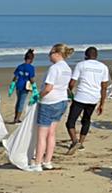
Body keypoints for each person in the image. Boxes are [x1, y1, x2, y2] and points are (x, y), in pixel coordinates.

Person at [30, 44, 75, 172]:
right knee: (52, 133)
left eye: (50, 53)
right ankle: (48, 161)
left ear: (56, 53)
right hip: (62, 101)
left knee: (42, 135)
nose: (49, 55)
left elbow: (48, 88)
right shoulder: (67, 68)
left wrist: (38, 96)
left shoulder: (54, 68)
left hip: (49, 103)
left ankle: (37, 163)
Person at [66, 46, 110, 154]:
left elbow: (72, 82)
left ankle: (75, 141)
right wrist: (102, 104)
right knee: (86, 120)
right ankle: (80, 143)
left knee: (70, 122)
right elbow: (104, 87)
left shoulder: (81, 65)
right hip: (94, 98)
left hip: (81, 96)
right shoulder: (103, 67)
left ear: (85, 55)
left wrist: (69, 91)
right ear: (96, 56)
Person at [10, 49, 37, 123]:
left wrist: (12, 86)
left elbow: (15, 77)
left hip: (18, 85)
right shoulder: (31, 68)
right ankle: (17, 119)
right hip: (25, 87)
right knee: (21, 102)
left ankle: (16, 117)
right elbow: (31, 78)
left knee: (18, 101)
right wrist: (34, 88)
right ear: (31, 59)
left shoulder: (20, 66)